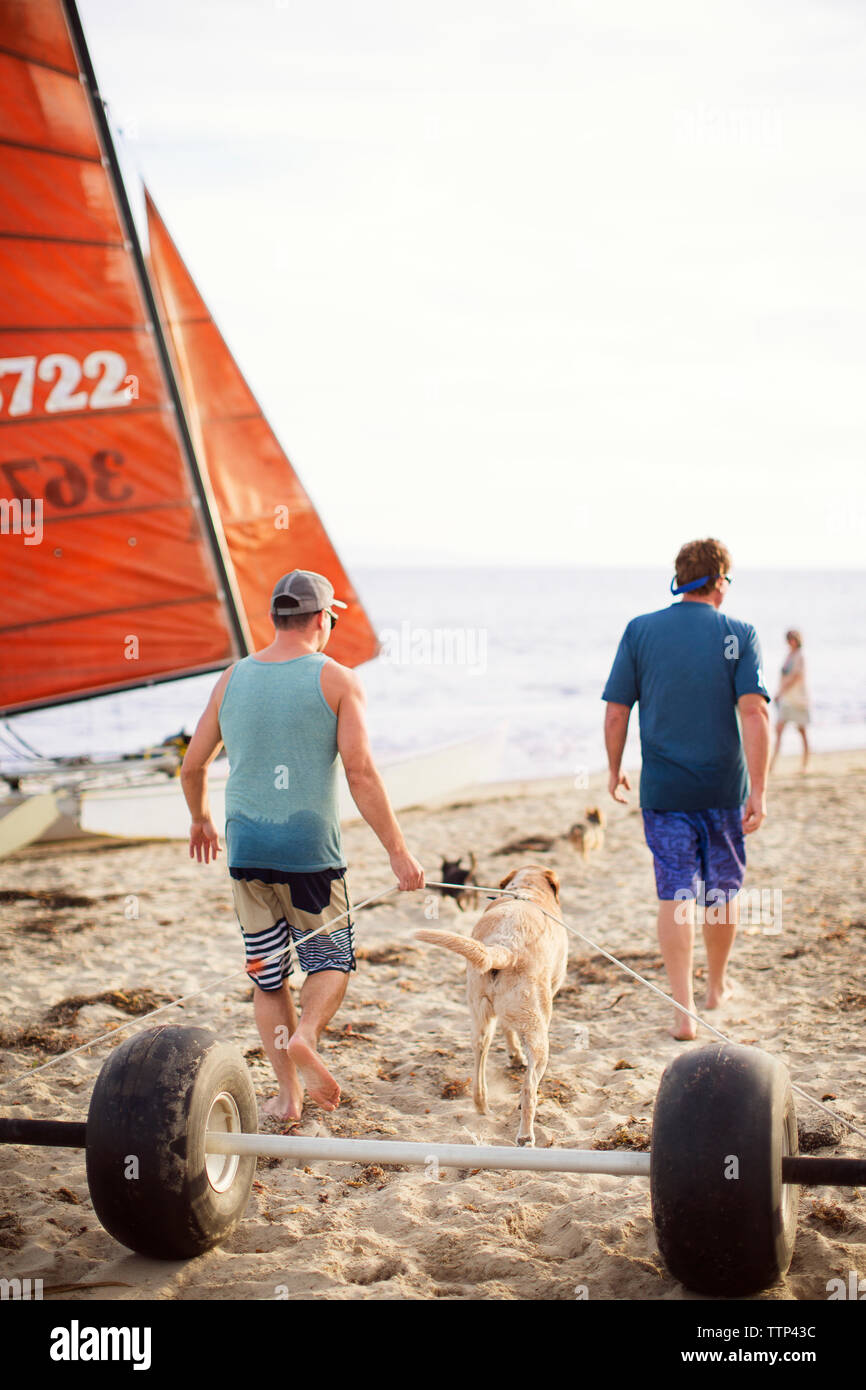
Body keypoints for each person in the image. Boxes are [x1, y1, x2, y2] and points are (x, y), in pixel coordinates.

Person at [181, 569, 425, 1119]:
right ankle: (308, 1033)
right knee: (331, 957)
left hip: (246, 848)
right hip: (309, 851)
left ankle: (288, 1097)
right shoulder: (337, 679)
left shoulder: (232, 678)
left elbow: (193, 764)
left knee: (267, 977)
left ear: (275, 618)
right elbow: (360, 772)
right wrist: (397, 850)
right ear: (322, 619)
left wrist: (199, 820)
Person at [601, 538, 771, 1040]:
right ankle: (717, 988)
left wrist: (613, 771)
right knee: (721, 890)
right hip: (722, 789)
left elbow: (616, 712)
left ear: (681, 578)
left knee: (674, 894)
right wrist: (758, 790)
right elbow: (755, 713)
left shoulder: (640, 630)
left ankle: (684, 1012)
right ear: (719, 580)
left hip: (666, 792)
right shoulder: (739, 633)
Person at [770, 629, 810, 774]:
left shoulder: (800, 656)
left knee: (802, 731)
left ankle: (804, 765)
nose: (789, 642)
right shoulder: (789, 655)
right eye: (788, 639)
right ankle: (772, 764)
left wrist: (781, 692)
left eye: (791, 639)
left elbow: (796, 676)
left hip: (798, 700)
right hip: (787, 700)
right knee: (779, 729)